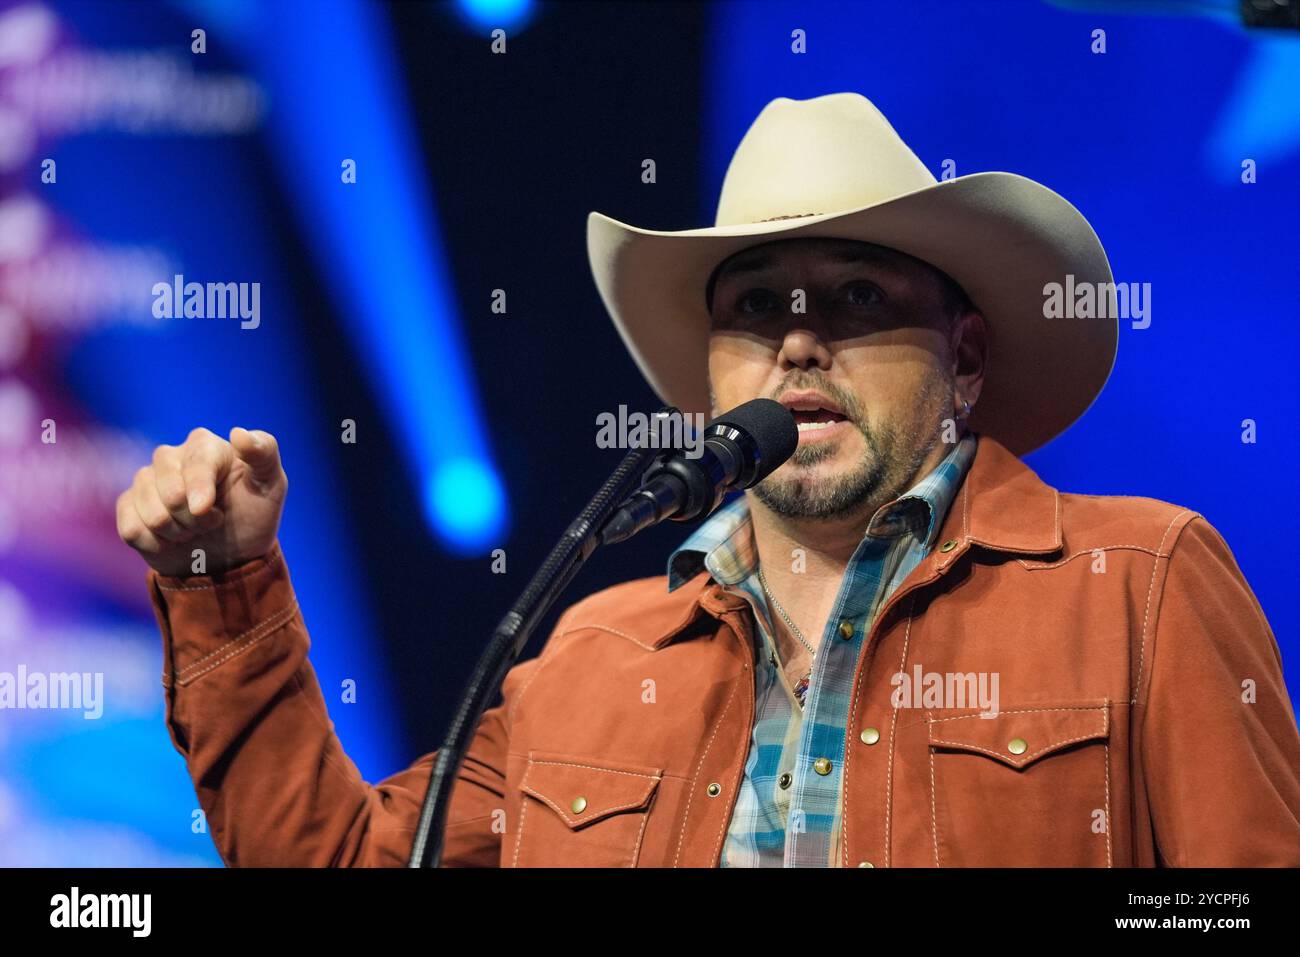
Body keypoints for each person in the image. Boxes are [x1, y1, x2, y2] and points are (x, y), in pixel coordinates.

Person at [117, 92, 1300, 866]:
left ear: (967, 360)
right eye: (752, 311)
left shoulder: (1136, 583)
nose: (797, 343)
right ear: (712, 378)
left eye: (856, 297)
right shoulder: (592, 655)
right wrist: (221, 577)